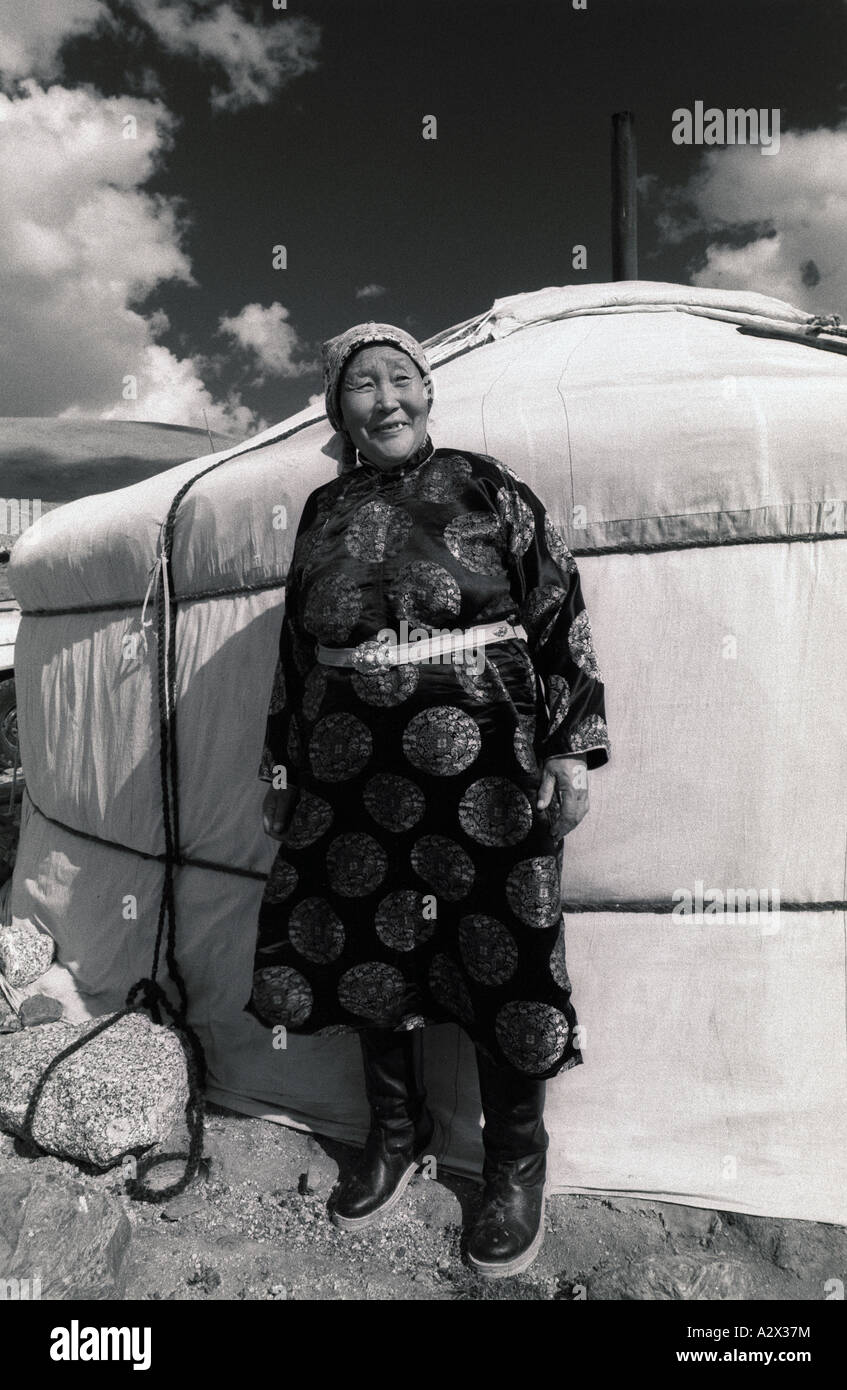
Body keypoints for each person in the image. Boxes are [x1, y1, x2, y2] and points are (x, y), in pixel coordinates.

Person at [247, 321, 610, 1279]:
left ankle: (513, 1166)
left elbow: (556, 608)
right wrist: (280, 767)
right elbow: (294, 652)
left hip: (485, 766)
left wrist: (571, 746)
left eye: (400, 376)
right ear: (338, 410)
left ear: (428, 391)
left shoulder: (486, 484)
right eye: (361, 384)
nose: (385, 398)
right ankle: (397, 1136)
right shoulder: (321, 510)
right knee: (368, 945)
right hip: (348, 769)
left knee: (502, 947)